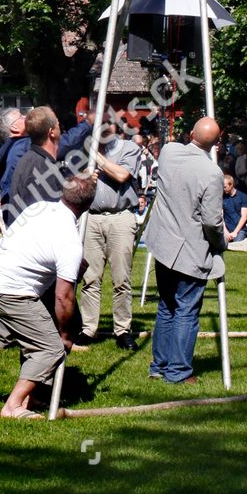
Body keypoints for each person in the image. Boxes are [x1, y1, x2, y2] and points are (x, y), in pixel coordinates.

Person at [0, 175, 97, 417]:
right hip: (9, 290)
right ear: (88, 207)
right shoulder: (70, 243)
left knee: (38, 340)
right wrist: (65, 334)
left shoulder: (38, 207)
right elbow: (63, 298)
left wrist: (70, 269)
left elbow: (37, 251)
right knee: (51, 349)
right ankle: (13, 406)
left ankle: (34, 396)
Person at [144, 117, 225, 383]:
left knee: (167, 306)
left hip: (163, 245)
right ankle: (178, 371)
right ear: (217, 143)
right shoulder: (212, 173)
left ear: (190, 133)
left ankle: (159, 366)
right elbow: (212, 221)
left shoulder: (169, 152)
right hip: (189, 251)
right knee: (186, 310)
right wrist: (221, 243)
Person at [76, 119, 144, 351]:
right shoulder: (81, 152)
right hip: (91, 217)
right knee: (90, 277)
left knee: (121, 277)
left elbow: (122, 175)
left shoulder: (129, 148)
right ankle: (88, 328)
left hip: (120, 217)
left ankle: (123, 329)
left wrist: (98, 158)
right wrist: (84, 178)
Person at [222, 171, 247, 244]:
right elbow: (220, 216)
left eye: (225, 187)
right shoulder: (222, 197)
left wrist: (235, 232)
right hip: (226, 229)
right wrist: (226, 232)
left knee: (237, 245)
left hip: (239, 229)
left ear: (231, 185)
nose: (223, 189)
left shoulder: (243, 196)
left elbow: (244, 216)